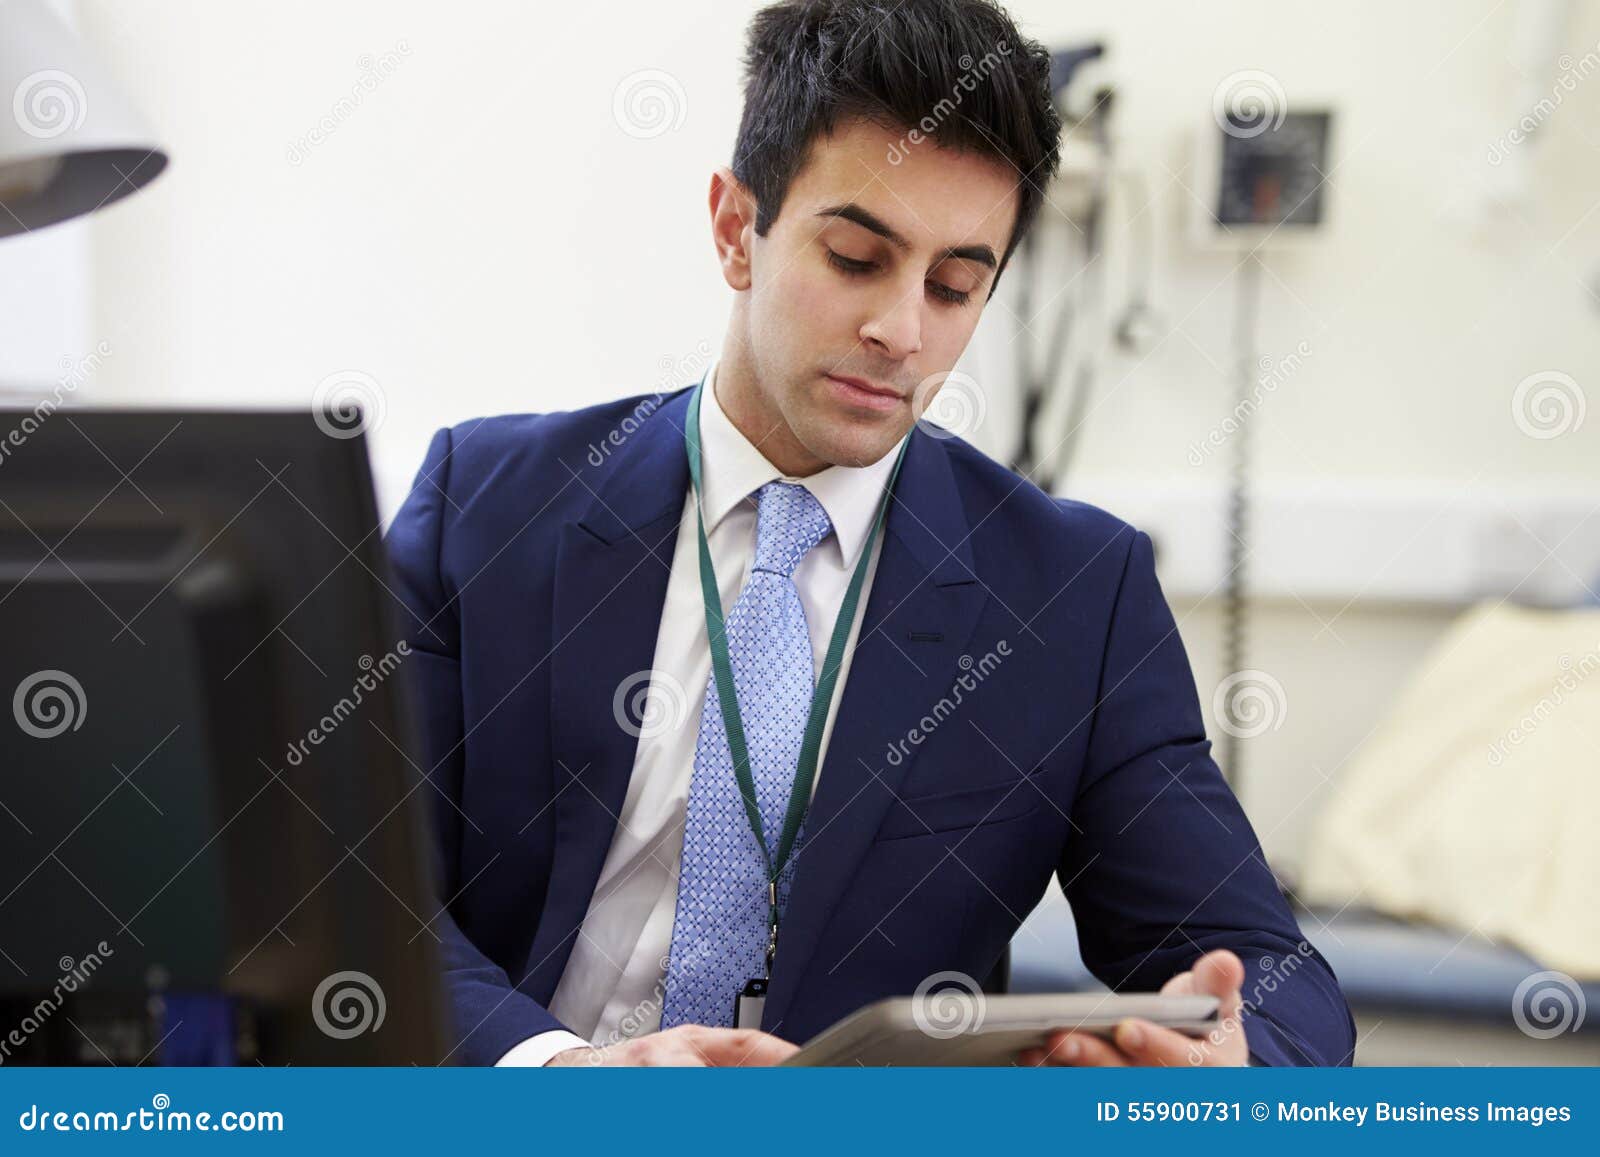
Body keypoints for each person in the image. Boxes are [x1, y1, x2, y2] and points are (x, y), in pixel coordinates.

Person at [386, 0, 1355, 1067]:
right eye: (855, 256)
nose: (902, 331)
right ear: (732, 228)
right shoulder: (484, 503)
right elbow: (351, 897)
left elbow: (1270, 971)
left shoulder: (1073, 593)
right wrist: (561, 1076)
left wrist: (1233, 1057)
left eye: (954, 284)